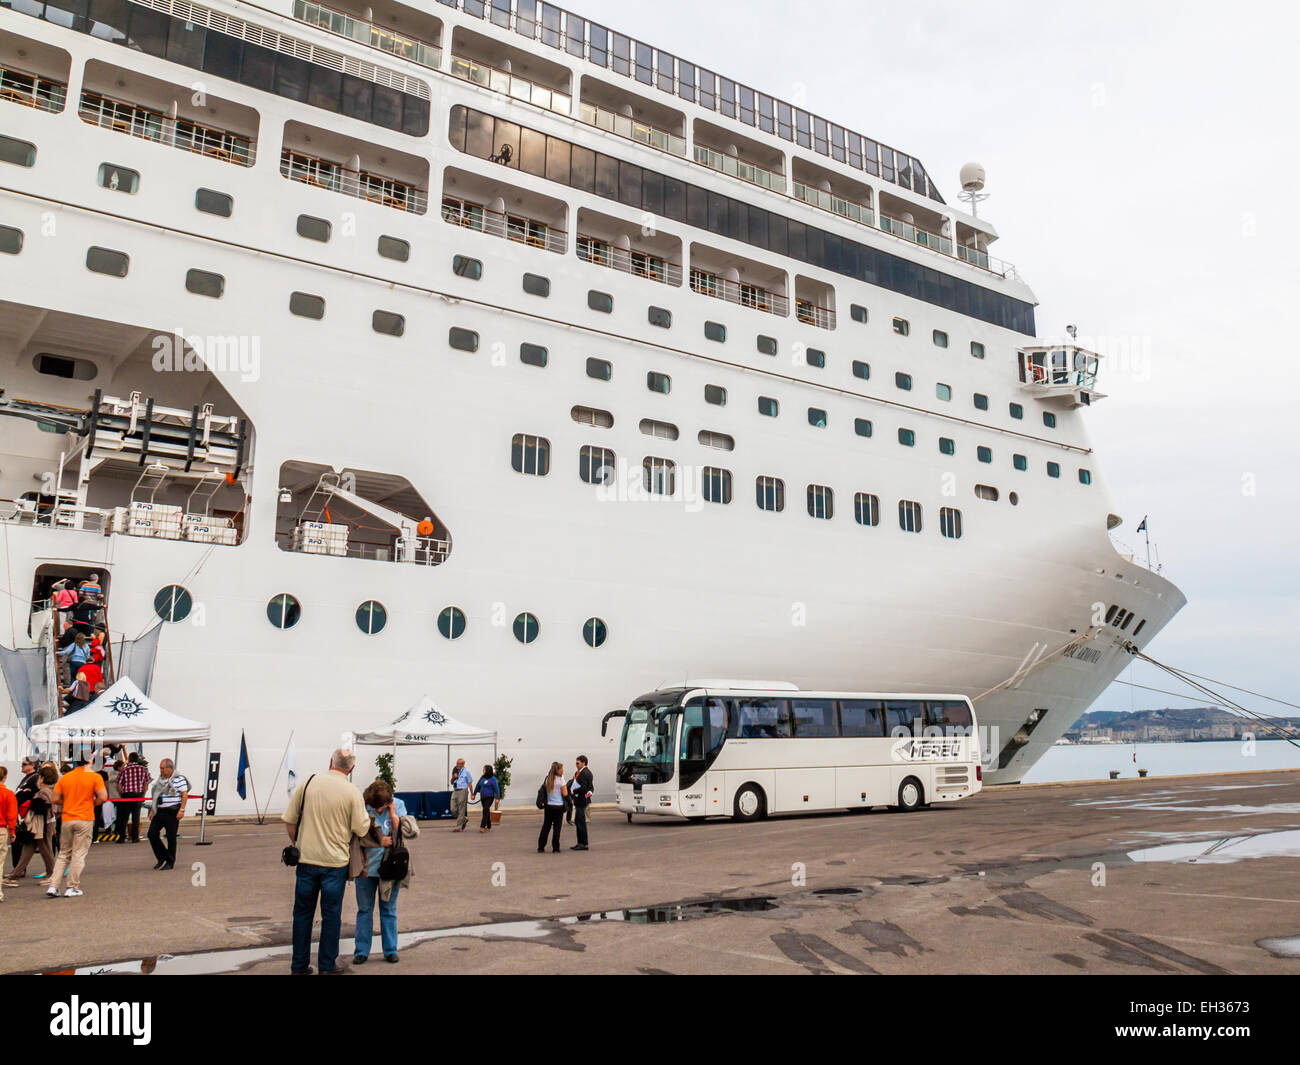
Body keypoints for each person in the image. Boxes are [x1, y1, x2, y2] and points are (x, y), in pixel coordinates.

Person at [282, 748, 372, 975]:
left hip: (306, 861)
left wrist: (298, 843)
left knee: (302, 914)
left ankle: (299, 966)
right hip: (335, 864)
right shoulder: (352, 792)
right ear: (351, 768)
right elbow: (361, 828)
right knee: (331, 916)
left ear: (330, 761)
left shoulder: (308, 783)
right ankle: (327, 965)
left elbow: (290, 820)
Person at [354, 779, 418, 965]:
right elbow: (355, 834)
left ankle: (390, 950)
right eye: (375, 808)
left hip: (390, 868)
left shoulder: (398, 804)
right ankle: (361, 951)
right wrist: (378, 841)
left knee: (389, 910)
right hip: (366, 869)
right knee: (364, 910)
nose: (378, 810)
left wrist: (393, 814)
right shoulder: (362, 806)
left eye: (381, 807)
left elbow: (406, 833)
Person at [47, 759, 106, 898]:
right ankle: (71, 886)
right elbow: (103, 797)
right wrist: (92, 803)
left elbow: (54, 798)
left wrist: (68, 802)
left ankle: (53, 886)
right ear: (89, 762)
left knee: (63, 853)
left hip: (67, 818)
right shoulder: (94, 777)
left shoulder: (65, 778)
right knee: (78, 854)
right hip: (85, 817)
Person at [10, 764, 57, 882]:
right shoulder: (51, 790)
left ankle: (52, 874)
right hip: (44, 824)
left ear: (42, 778)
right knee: (31, 848)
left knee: (44, 849)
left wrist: (28, 798)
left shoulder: (44, 792)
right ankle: (15, 875)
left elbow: (44, 808)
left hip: (41, 824)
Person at [147, 758, 189, 870]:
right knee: (151, 834)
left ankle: (170, 862)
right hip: (160, 810)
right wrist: (152, 810)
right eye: (160, 768)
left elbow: (184, 795)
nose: (160, 771)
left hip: (172, 811)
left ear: (170, 768)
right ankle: (163, 857)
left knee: (171, 837)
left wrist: (182, 810)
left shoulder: (179, 779)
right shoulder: (159, 780)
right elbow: (156, 796)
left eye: (162, 768)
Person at [115, 752, 150, 844]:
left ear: (129, 759)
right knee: (136, 817)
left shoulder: (124, 770)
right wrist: (143, 794)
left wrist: (121, 793)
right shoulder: (143, 769)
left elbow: (118, 783)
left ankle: (122, 837)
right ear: (137, 759)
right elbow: (146, 783)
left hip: (126, 795)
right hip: (138, 795)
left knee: (124, 817)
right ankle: (135, 837)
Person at [537, 761, 568, 854]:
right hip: (558, 806)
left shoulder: (548, 778)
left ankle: (541, 847)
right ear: (558, 770)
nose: (563, 770)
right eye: (561, 769)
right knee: (557, 828)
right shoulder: (561, 779)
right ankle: (555, 848)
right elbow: (565, 793)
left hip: (549, 806)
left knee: (546, 826)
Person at [570, 755, 594, 852]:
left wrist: (573, 791)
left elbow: (584, 788)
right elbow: (591, 787)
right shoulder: (579, 772)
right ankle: (580, 843)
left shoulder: (585, 773)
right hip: (578, 800)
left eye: (578, 763)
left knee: (581, 822)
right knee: (578, 821)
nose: (576, 765)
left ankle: (583, 844)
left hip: (581, 800)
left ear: (584, 763)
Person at [0, 768, 15, 902]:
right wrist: (12, 831)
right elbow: (11, 815)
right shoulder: (8, 794)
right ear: (4, 777)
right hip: (1, 829)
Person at [472, 764, 498, 833]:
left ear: (487, 770)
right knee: (486, 811)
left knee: (485, 810)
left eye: (484, 769)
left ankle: (482, 826)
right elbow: (478, 785)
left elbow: (496, 789)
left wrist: (497, 798)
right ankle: (489, 826)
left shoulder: (493, 779)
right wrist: (474, 794)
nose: (483, 771)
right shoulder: (482, 777)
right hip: (483, 797)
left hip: (490, 797)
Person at [449, 758, 472, 832]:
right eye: (457, 763)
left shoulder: (466, 772)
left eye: (459, 764)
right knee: (453, 809)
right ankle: (464, 819)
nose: (457, 765)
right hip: (455, 790)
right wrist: (453, 777)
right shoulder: (455, 771)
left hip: (463, 790)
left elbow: (469, 783)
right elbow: (451, 782)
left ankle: (458, 827)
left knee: (461, 808)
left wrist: (472, 793)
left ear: (463, 764)